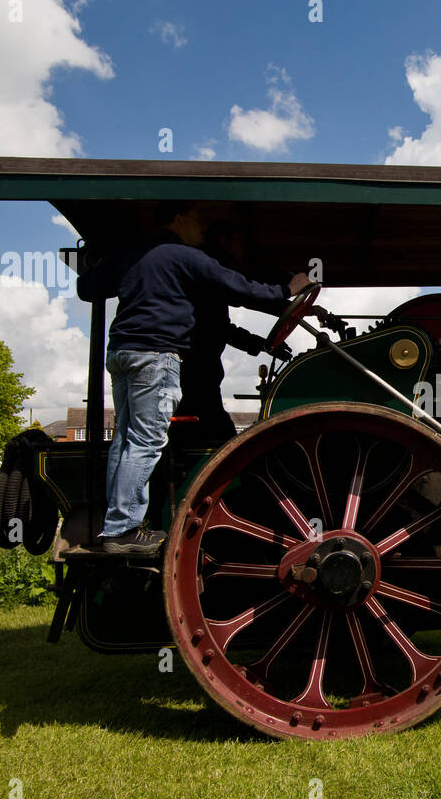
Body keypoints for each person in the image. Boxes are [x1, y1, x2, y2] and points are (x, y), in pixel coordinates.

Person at [77, 203, 313, 555]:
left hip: (122, 352)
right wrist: (287, 289)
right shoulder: (184, 255)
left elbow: (87, 288)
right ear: (179, 217)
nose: (202, 228)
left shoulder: (134, 253)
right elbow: (239, 287)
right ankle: (122, 530)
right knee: (146, 441)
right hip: (157, 356)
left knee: (126, 439)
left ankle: (115, 527)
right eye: (198, 220)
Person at [172, 222, 291, 444]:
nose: (243, 248)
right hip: (198, 361)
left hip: (201, 362)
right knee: (214, 425)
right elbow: (241, 296)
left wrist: (265, 343)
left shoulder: (207, 274)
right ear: (224, 242)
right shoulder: (211, 270)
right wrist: (285, 299)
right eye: (240, 242)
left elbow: (221, 325)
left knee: (206, 420)